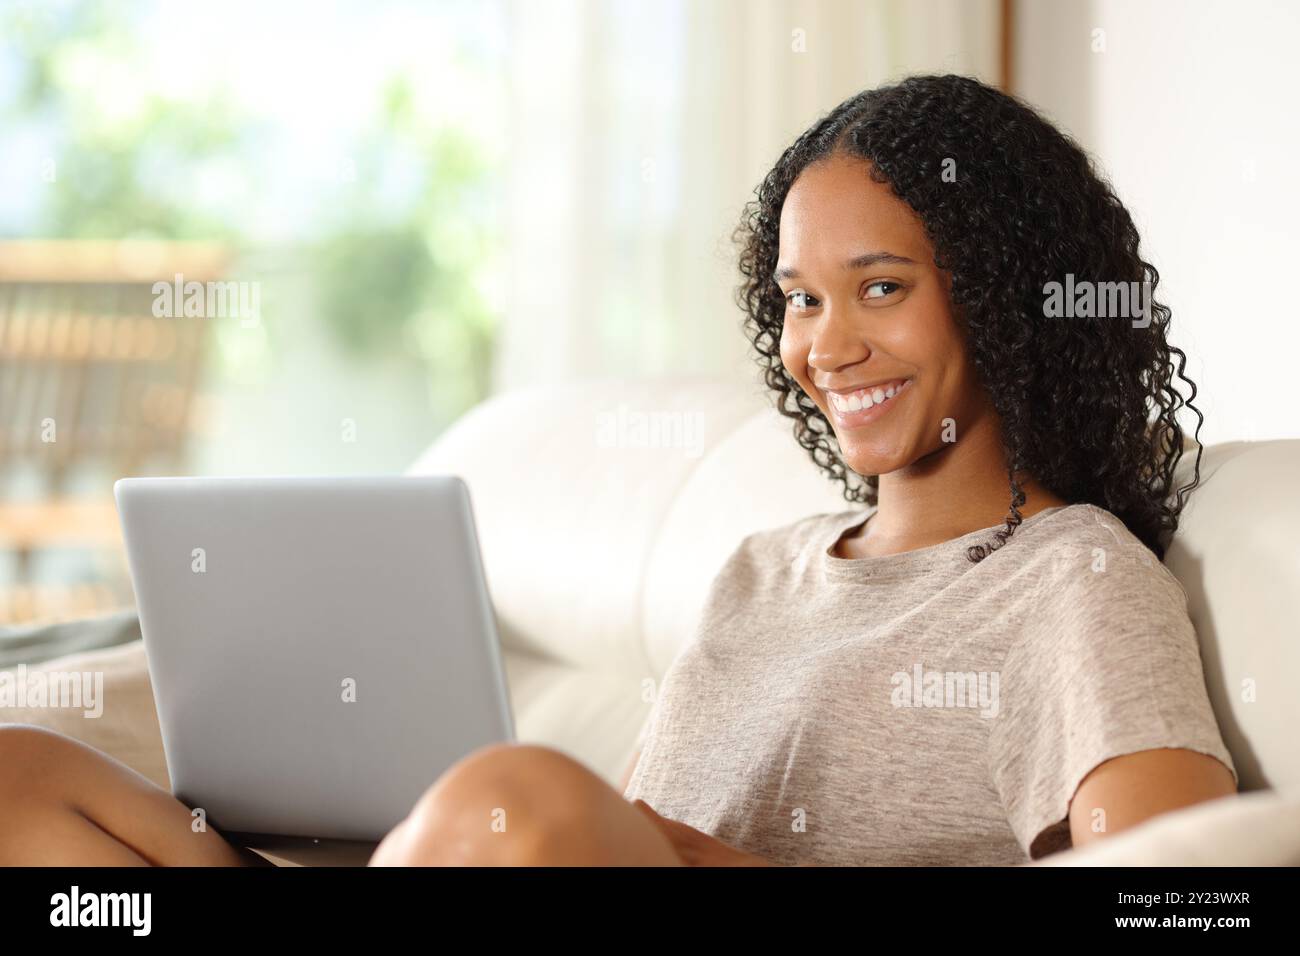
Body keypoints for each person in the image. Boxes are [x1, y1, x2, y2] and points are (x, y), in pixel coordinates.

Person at [0, 74, 1235, 867]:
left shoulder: (1075, 581)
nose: (827, 343)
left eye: (881, 288)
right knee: (23, 775)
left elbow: (1168, 887)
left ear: (1011, 303)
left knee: (523, 794)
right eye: (799, 298)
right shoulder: (763, 570)